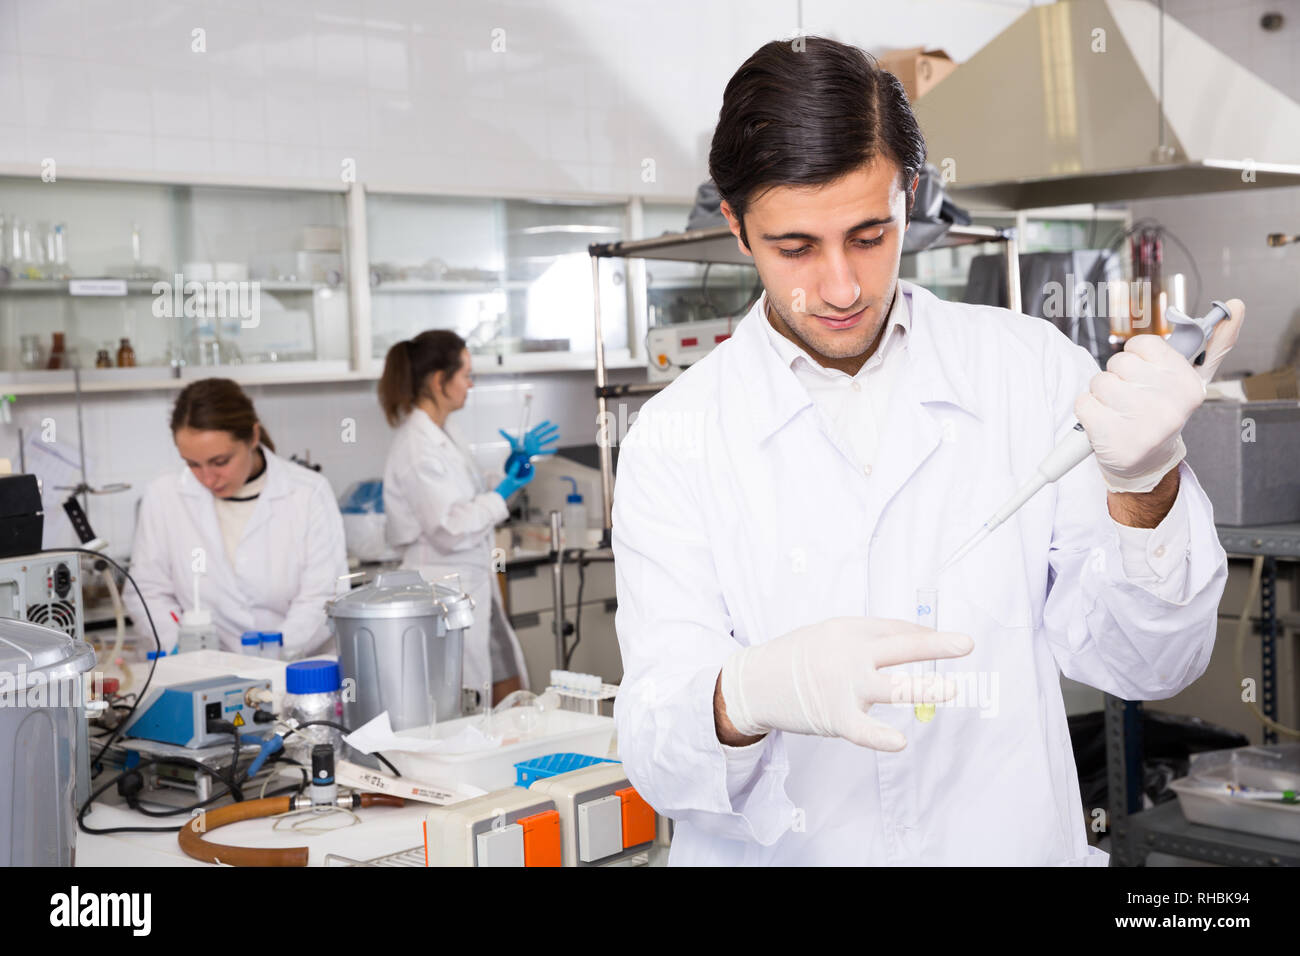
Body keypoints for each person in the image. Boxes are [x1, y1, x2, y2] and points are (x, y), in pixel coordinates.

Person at [611, 37, 1243, 866]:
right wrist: (750, 693)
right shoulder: (675, 437)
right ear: (735, 227)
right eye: (795, 248)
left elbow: (1147, 663)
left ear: (909, 195)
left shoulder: (1030, 370)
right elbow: (659, 754)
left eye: (869, 234)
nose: (839, 288)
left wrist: (1144, 486)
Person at [379, 330, 557, 705]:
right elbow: (450, 528)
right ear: (438, 380)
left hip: (468, 582)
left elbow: (468, 494)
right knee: (455, 699)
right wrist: (505, 490)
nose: (471, 384)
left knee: (492, 685)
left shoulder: (444, 432)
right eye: (465, 374)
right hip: (439, 587)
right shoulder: (416, 446)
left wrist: (507, 472)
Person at [125, 378, 348, 657]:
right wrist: (189, 653)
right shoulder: (163, 496)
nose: (207, 478)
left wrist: (269, 656)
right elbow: (148, 592)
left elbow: (324, 595)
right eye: (193, 464)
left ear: (253, 437)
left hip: (293, 669)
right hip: (198, 673)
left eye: (220, 462)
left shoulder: (308, 492)